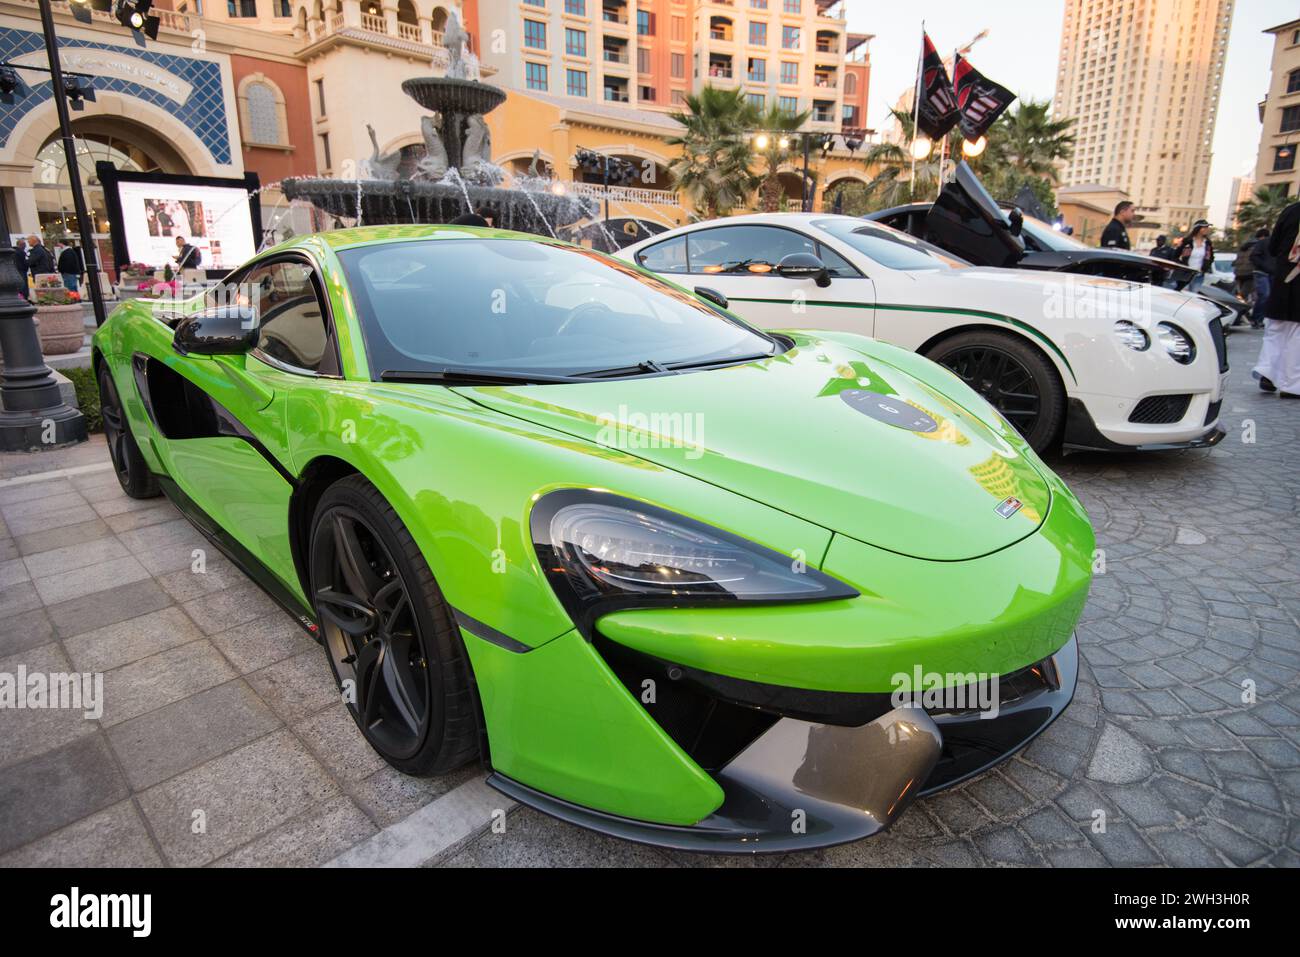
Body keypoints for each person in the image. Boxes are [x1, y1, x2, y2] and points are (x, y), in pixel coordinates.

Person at [1253, 199, 1300, 397]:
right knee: (1297, 334)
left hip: (1283, 279)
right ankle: (1291, 385)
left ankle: (1268, 374)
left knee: (1275, 329)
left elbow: (1272, 247)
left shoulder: (1290, 211)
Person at [1249, 226, 1275, 330]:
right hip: (1262, 272)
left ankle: (1259, 319)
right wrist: (1265, 266)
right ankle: (1256, 319)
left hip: (1272, 273)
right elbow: (1253, 256)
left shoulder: (1281, 244)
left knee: (1268, 297)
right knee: (1265, 295)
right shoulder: (1264, 242)